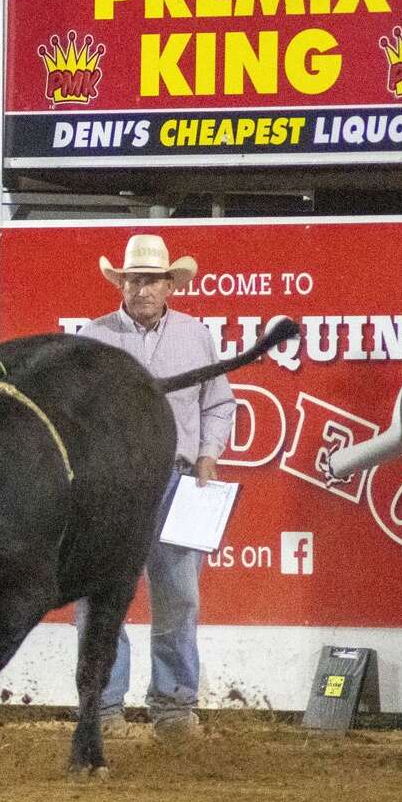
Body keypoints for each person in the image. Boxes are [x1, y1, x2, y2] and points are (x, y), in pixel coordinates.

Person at [74, 234, 234, 740]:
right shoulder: (93, 337)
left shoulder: (195, 335)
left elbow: (218, 402)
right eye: (134, 280)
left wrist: (209, 455)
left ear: (170, 285)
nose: (142, 289)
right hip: (110, 484)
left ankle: (173, 707)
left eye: (152, 280)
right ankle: (102, 708)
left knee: (180, 596)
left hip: (178, 478)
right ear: (120, 284)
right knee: (101, 597)